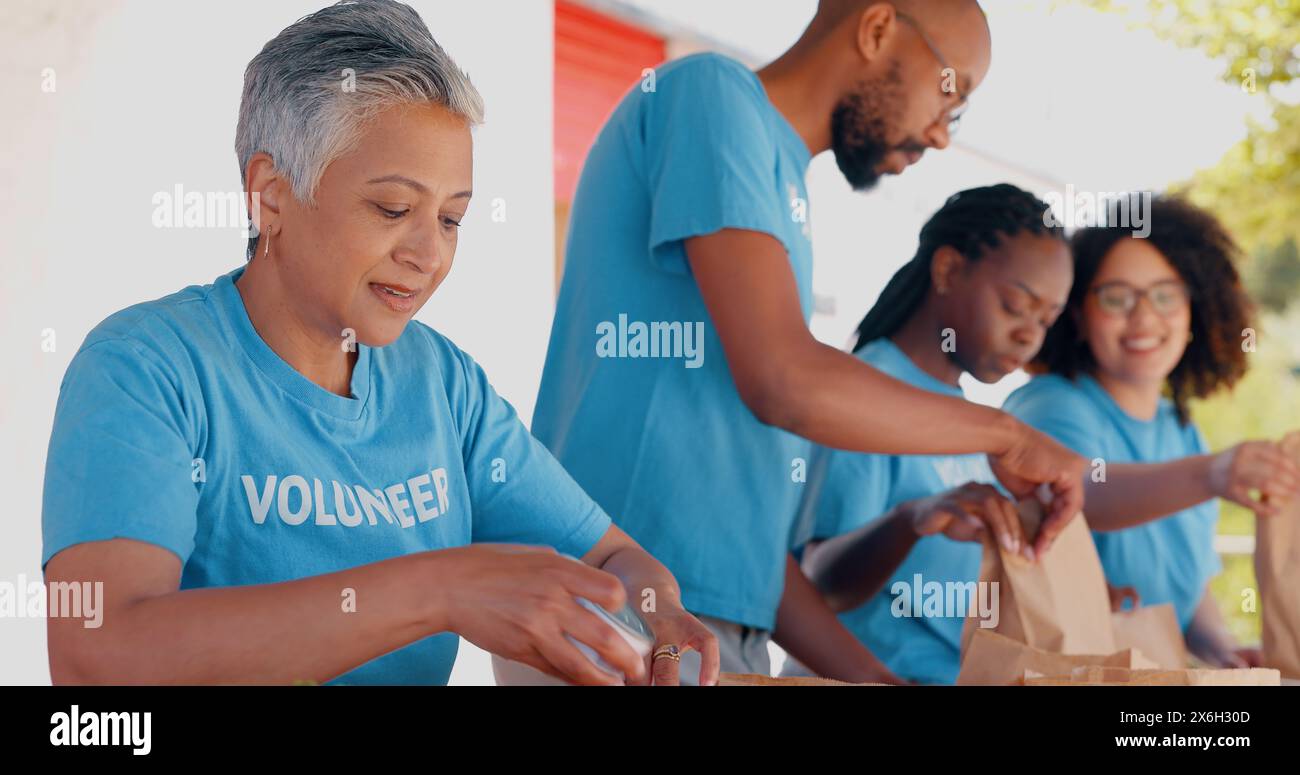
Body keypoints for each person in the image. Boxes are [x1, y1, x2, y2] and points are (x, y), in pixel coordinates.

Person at [41, 0, 717, 687]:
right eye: (393, 209)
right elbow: (97, 652)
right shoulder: (145, 368)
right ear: (270, 194)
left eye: (452, 218)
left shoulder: (442, 385)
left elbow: (612, 559)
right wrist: (438, 588)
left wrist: (656, 616)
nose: (429, 254)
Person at [533, 0, 1086, 684]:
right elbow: (784, 379)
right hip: (618, 614)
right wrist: (1009, 435)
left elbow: (757, 567)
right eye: (953, 94)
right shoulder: (711, 94)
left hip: (705, 634)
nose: (943, 134)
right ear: (879, 27)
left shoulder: (782, 186)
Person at [786, 184, 1073, 684]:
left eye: (1046, 320)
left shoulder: (965, 418)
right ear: (947, 270)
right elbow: (816, 581)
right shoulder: (867, 394)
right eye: (1014, 305)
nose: (1030, 334)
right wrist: (911, 519)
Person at [1003, 194, 1300, 667]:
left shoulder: (1181, 429)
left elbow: (1185, 582)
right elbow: (1078, 493)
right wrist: (1212, 475)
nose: (1143, 317)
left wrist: (1220, 647)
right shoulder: (1050, 405)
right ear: (1077, 315)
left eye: (1165, 295)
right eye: (1116, 297)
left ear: (1193, 315)